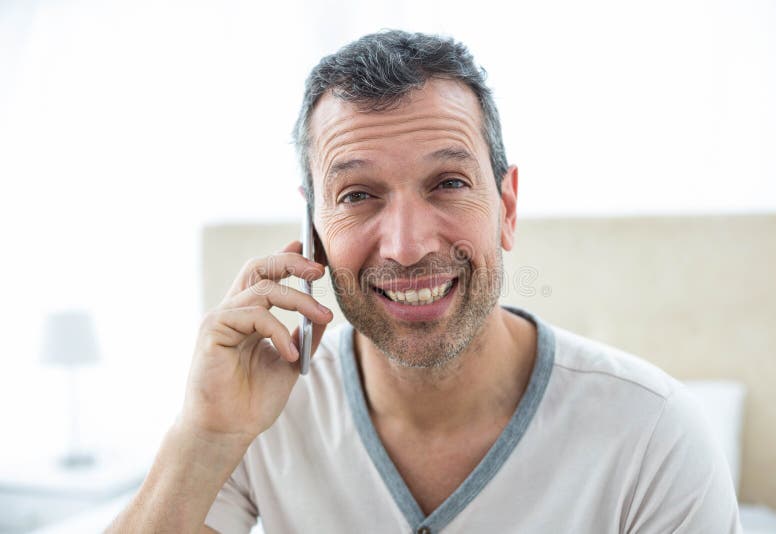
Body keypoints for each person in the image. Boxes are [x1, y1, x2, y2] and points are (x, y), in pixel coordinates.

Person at [107, 30, 743, 533]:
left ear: (508, 208)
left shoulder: (654, 437)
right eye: (358, 195)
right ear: (314, 226)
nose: (408, 246)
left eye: (449, 183)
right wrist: (204, 438)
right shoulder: (264, 414)